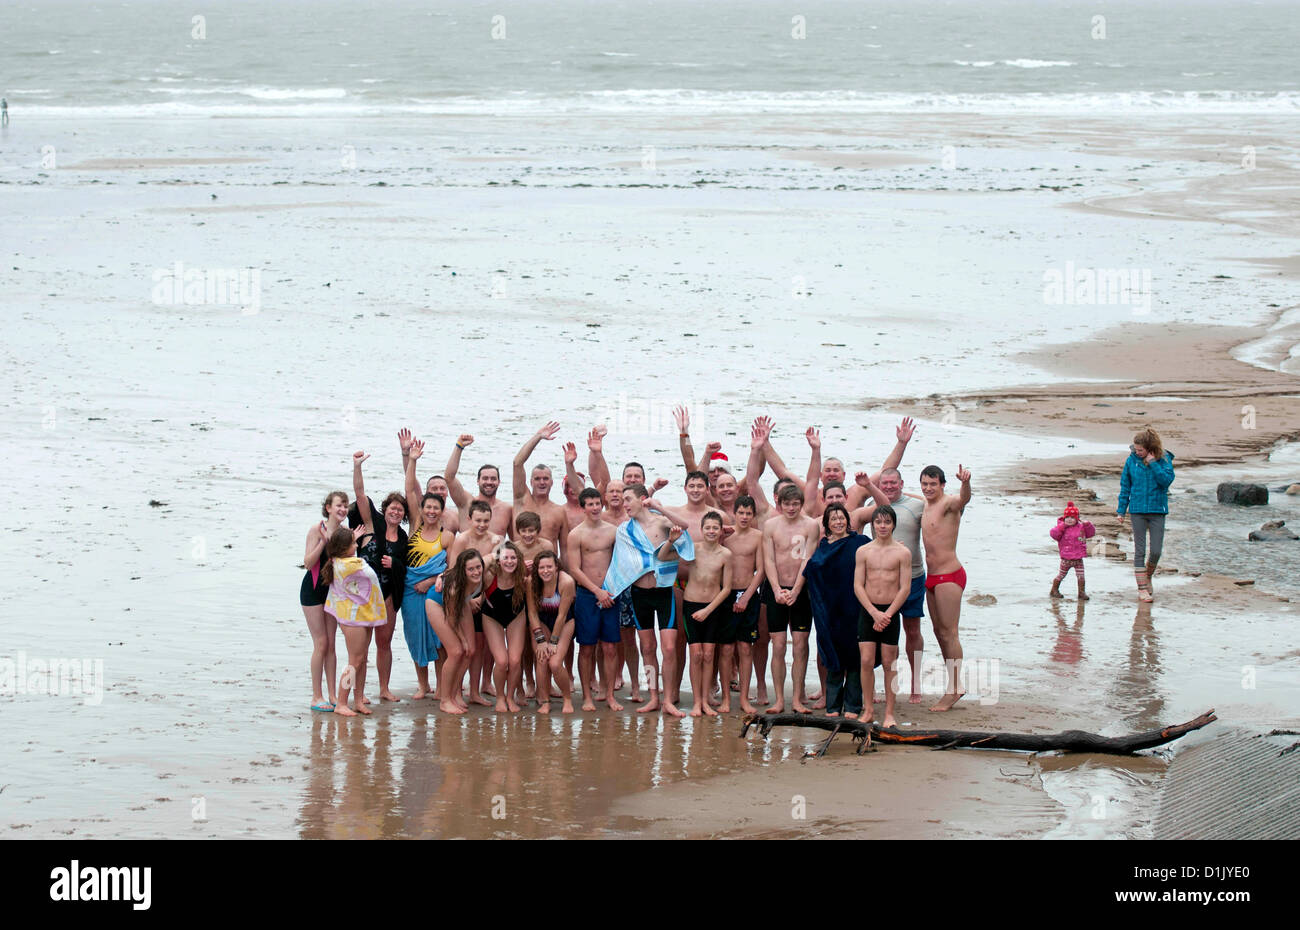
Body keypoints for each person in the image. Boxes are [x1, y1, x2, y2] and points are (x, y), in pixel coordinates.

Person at [601, 483, 694, 717]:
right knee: (648, 647)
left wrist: (658, 507)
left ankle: (669, 698)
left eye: (628, 499)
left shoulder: (661, 522)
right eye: (622, 500)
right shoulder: (624, 530)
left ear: (642, 499)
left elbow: (684, 526)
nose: (624, 505)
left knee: (670, 648)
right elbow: (623, 563)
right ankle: (653, 696)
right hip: (639, 593)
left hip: (663, 592)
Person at [850, 468, 926, 704]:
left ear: (902, 483)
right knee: (873, 638)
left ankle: (915, 684)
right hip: (878, 581)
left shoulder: (917, 505)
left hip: (912, 575)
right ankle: (873, 691)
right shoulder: (874, 507)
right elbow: (851, 527)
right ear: (879, 485)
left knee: (912, 630)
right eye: (886, 483)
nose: (890, 487)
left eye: (894, 483)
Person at [349, 450, 408, 703]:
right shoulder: (373, 524)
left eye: (400, 510)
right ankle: (354, 693)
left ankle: (384, 689)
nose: (395, 512)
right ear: (385, 509)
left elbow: (405, 568)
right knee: (358, 652)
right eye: (392, 508)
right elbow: (360, 495)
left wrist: (394, 563)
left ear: (404, 515)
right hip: (362, 595)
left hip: (387, 596)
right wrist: (357, 466)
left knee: (384, 645)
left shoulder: (404, 539)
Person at [400, 433, 453, 703]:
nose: (431, 511)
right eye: (428, 507)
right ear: (422, 509)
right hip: (410, 591)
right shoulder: (415, 528)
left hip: (434, 590)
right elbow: (410, 489)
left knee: (439, 640)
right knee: (414, 637)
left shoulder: (446, 536)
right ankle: (423, 686)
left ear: (442, 511)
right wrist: (412, 460)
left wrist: (431, 580)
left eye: (436, 508)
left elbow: (451, 569)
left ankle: (443, 687)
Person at [805, 504, 869, 719]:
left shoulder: (859, 542)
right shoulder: (822, 547)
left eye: (842, 518)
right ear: (827, 524)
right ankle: (833, 706)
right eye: (834, 519)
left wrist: (895, 546)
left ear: (847, 521)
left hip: (854, 607)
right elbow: (810, 571)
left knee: (853, 656)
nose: (839, 522)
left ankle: (852, 706)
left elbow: (879, 552)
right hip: (829, 610)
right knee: (831, 655)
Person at [762, 483, 820, 714]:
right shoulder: (770, 526)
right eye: (787, 503)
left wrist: (796, 590)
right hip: (775, 588)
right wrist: (776, 589)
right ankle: (779, 700)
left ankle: (797, 698)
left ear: (801, 504)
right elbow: (769, 560)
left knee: (800, 644)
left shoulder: (811, 525)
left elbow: (808, 558)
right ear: (779, 504)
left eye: (796, 503)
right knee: (777, 646)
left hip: (801, 590)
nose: (791, 507)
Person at [919, 464, 972, 712]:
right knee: (939, 632)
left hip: (949, 576)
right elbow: (903, 496)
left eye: (933, 484)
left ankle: (955, 687)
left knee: (950, 633)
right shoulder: (925, 504)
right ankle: (952, 684)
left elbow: (963, 499)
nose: (928, 488)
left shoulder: (949, 503)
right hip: (932, 578)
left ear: (942, 485)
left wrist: (965, 483)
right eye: (925, 484)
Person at [321, 525, 388, 717]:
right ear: (344, 548)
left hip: (361, 614)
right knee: (354, 661)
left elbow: (352, 556)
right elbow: (364, 569)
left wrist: (351, 538)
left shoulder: (339, 561)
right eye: (353, 543)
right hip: (352, 617)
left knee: (362, 659)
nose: (357, 544)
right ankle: (342, 702)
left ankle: (358, 700)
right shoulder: (349, 565)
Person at [853, 505, 911, 728]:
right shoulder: (864, 551)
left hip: (890, 612)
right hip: (869, 611)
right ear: (872, 525)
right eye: (878, 522)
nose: (883, 526)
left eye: (887, 522)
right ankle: (868, 709)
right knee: (866, 661)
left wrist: (886, 614)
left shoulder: (902, 552)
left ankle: (889, 713)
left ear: (893, 524)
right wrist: (874, 612)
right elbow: (858, 585)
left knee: (889, 663)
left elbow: (904, 588)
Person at [567, 488, 624, 711]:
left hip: (611, 594)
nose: (594, 507)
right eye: (589, 504)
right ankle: (588, 697)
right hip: (586, 595)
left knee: (610, 647)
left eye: (597, 503)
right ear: (582, 508)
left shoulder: (613, 531)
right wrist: (596, 591)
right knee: (587, 647)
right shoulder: (576, 534)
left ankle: (609, 695)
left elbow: (621, 563)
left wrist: (609, 590)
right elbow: (574, 569)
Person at [301, 488, 349, 712]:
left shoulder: (345, 533)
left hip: (333, 591)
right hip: (312, 590)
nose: (342, 509)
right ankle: (316, 696)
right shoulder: (316, 530)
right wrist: (323, 541)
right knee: (320, 643)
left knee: (331, 643)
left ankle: (331, 694)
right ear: (328, 508)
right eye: (338, 505)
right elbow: (309, 563)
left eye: (345, 505)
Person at [682, 512, 733, 717]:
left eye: (715, 528)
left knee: (709, 654)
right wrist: (671, 541)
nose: (711, 531)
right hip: (691, 605)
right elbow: (663, 556)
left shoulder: (725, 554)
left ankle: (705, 700)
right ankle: (696, 702)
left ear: (721, 531)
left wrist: (708, 610)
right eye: (707, 527)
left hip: (712, 607)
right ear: (701, 530)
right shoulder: (692, 549)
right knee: (696, 655)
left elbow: (727, 588)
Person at [1116, 429, 1175, 603]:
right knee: (1139, 551)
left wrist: (1153, 464)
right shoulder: (1131, 461)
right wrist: (1121, 510)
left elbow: (1166, 481)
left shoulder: (1164, 459)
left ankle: (1147, 577)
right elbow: (1125, 486)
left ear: (1150, 448)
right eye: (1135, 449)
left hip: (1158, 510)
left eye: (1140, 450)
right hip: (1137, 511)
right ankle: (1142, 589)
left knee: (1156, 551)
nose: (1136, 452)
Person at [722, 495, 764, 714]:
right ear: (734, 513)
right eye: (741, 513)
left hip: (748, 593)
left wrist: (747, 596)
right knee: (726, 648)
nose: (745, 517)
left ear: (753, 515)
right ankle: (726, 698)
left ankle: (745, 699)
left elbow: (761, 570)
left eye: (749, 513)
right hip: (726, 596)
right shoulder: (725, 535)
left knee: (746, 648)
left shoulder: (758, 537)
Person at [480, 541, 528, 713]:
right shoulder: (488, 576)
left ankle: (510, 696)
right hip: (492, 617)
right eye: (505, 558)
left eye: (513, 558)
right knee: (501, 661)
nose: (509, 561)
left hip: (517, 616)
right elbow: (474, 566)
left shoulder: (523, 576)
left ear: (519, 560)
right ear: (498, 560)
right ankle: (500, 697)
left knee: (515, 661)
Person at [528, 551, 577, 714]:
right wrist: (541, 640)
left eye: (549, 566)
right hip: (541, 621)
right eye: (541, 567)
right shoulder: (531, 582)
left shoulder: (566, 582)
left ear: (557, 567)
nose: (545, 571)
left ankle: (567, 699)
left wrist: (553, 642)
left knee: (555, 663)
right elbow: (532, 613)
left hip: (564, 622)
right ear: (536, 569)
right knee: (541, 659)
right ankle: (545, 701)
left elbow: (562, 615)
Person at [440, 549, 485, 714]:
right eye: (471, 569)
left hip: (462, 603)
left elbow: (498, 554)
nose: (476, 572)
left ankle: (454, 695)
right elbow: (452, 619)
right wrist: (463, 639)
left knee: (471, 651)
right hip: (437, 604)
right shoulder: (454, 588)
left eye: (478, 567)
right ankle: (445, 701)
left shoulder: (484, 572)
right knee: (457, 651)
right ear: (463, 570)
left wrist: (479, 598)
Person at [512, 421, 568, 551]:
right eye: (537, 479)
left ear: (552, 482)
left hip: (547, 568)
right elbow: (517, 463)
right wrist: (538, 436)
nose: (542, 482)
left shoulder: (559, 511)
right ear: (530, 482)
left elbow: (564, 549)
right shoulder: (521, 499)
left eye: (545, 479)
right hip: (520, 565)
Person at [444, 433, 514, 536]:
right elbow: (449, 478)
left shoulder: (507, 509)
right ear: (478, 481)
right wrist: (459, 446)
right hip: (468, 551)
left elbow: (515, 541)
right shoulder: (466, 503)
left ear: (499, 482)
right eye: (485, 478)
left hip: (495, 552)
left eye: (493, 479)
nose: (489, 482)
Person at [1050, 502, 1096, 600]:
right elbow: (1053, 534)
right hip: (1066, 558)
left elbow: (1091, 533)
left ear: (1077, 518)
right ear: (1064, 518)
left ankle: (1081, 593)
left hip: (1078, 558)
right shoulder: (1061, 528)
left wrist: (1088, 525)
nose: (1070, 520)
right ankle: (1054, 590)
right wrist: (1062, 526)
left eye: (1072, 517)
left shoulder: (1081, 527)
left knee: (1081, 576)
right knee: (1061, 575)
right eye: (1067, 517)